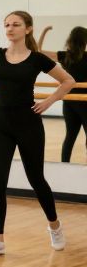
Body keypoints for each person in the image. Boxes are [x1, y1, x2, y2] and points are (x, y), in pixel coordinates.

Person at [0, 9, 74, 257]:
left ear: (27, 29)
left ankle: (55, 226)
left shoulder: (37, 59)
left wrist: (49, 102)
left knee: (36, 179)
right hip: (1, 124)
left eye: (15, 24)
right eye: (6, 24)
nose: (9, 28)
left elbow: (68, 81)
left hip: (28, 124)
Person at [38, 25, 87, 163]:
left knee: (70, 137)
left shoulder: (65, 56)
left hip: (69, 101)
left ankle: (64, 165)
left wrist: (44, 31)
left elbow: (38, 51)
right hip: (84, 102)